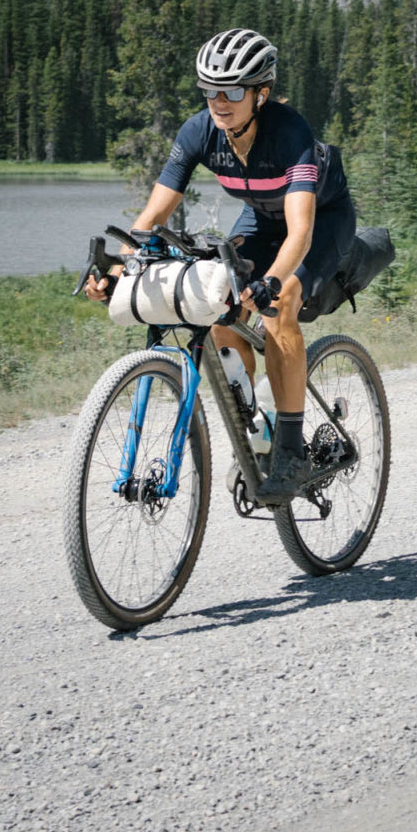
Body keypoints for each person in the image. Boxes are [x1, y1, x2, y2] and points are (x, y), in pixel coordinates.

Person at [83, 27, 355, 504]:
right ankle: (258, 426)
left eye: (231, 91)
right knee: (222, 304)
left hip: (320, 219)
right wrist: (117, 269)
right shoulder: (198, 132)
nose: (219, 101)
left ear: (261, 93)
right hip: (260, 215)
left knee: (282, 301)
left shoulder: (291, 134)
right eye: (210, 89)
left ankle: (290, 450)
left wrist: (271, 282)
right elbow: (152, 218)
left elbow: (300, 233)